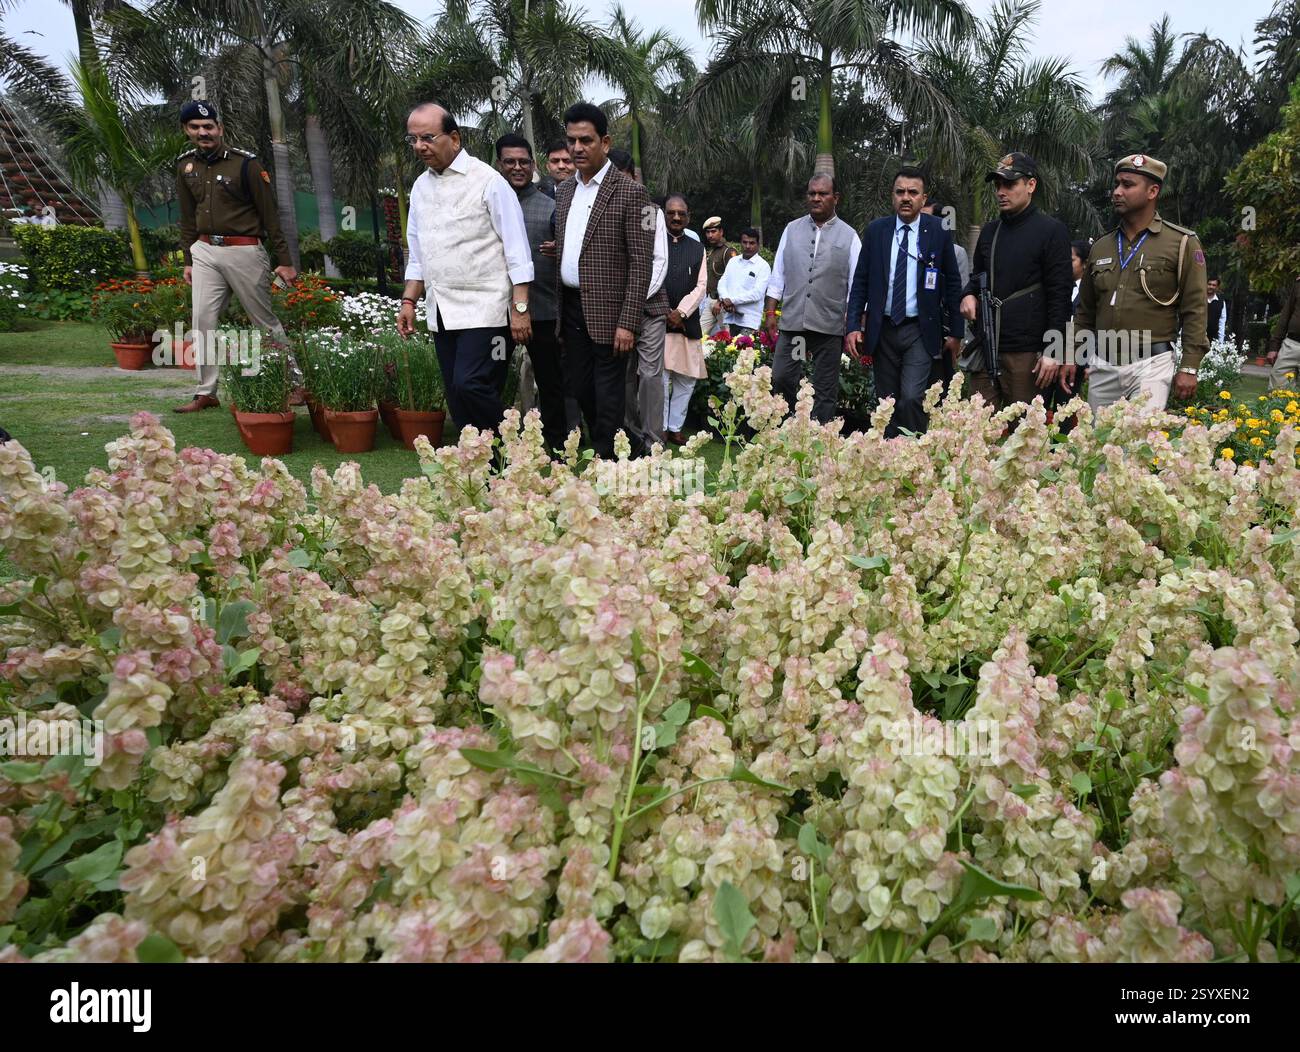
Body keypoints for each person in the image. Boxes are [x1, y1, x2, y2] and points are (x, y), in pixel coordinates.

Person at [396, 103, 533, 439]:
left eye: (427, 137)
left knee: (470, 384)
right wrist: (408, 302)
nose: (419, 147)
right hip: (442, 310)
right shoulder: (421, 188)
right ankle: (481, 468)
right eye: (412, 139)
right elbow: (419, 255)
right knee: (457, 398)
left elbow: (517, 249)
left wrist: (520, 309)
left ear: (454, 138)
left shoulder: (488, 182)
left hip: (486, 309)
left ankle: (516, 446)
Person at [172, 99, 299, 413]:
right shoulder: (185, 165)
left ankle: (295, 383)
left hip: (244, 249)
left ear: (220, 128)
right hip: (203, 251)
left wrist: (284, 260)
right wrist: (188, 259)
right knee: (202, 320)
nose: (203, 132)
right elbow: (187, 217)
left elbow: (270, 215)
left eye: (209, 126)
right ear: (186, 131)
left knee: (263, 321)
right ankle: (206, 391)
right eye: (196, 128)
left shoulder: (245, 164)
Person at [553, 103, 657, 459]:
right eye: (571, 141)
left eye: (586, 140)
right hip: (570, 307)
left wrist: (628, 323)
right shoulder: (564, 191)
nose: (577, 148)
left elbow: (641, 264)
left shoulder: (634, 195)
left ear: (606, 142)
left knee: (608, 391)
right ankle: (628, 445)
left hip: (612, 315)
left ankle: (605, 460)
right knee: (581, 388)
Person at [1070, 153, 1207, 411]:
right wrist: (1068, 353)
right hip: (1104, 364)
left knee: (1139, 445)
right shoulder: (1101, 247)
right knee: (1098, 448)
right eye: (1117, 184)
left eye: (1128, 185)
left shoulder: (1182, 244)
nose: (1117, 192)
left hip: (1152, 364)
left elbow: (1195, 309)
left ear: (1153, 191)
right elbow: (1085, 313)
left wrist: (1189, 366)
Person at [844, 166, 961, 436]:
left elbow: (953, 282)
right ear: (892, 196)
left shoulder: (938, 230)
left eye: (913, 192)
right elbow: (860, 280)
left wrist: (956, 332)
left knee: (911, 397)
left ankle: (914, 455)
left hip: (919, 329)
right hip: (883, 329)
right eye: (900, 192)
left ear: (923, 198)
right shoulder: (877, 230)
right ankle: (890, 461)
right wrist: (852, 325)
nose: (906, 197)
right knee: (887, 403)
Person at [958, 153, 1072, 412]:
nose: (1001, 191)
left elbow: (1060, 296)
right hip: (986, 350)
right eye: (998, 185)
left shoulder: (1051, 231)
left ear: (1030, 185)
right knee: (977, 434)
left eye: (1010, 184)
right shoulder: (990, 231)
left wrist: (1053, 351)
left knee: (1025, 440)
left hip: (1027, 355)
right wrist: (967, 294)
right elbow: (978, 278)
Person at [766, 174, 862, 424]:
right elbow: (778, 274)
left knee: (824, 388)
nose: (816, 198)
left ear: (835, 198)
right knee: (783, 376)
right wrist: (770, 313)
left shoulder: (849, 236)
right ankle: (787, 428)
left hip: (828, 328)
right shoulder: (792, 229)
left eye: (823, 193)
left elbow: (856, 285)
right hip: (795, 326)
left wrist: (853, 324)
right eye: (812, 193)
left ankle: (820, 440)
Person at [495, 132, 568, 453]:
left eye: (524, 161)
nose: (517, 167)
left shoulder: (551, 207)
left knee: (551, 385)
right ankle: (492, 446)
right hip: (495, 315)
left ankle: (555, 449)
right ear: (499, 164)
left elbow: (574, 257)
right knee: (491, 381)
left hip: (542, 313)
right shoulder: (486, 204)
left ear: (533, 165)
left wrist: (561, 249)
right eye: (510, 161)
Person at [607, 149, 670, 454]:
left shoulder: (649, 210)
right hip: (612, 310)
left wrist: (632, 300)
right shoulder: (602, 209)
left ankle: (654, 440)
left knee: (649, 375)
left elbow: (657, 262)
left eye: (621, 176)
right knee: (623, 375)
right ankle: (630, 437)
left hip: (650, 307)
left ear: (632, 175)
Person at [660, 195, 708, 444]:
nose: (676, 217)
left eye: (681, 213)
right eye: (671, 213)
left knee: (686, 379)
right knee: (661, 378)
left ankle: (676, 426)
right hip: (659, 320)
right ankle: (660, 427)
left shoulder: (697, 248)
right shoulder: (654, 244)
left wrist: (681, 312)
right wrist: (665, 311)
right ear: (664, 214)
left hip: (687, 323)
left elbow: (701, 287)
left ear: (688, 216)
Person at [716, 228, 770, 337]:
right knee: (730, 352)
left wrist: (731, 301)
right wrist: (725, 298)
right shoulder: (733, 261)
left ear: (758, 244)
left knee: (745, 353)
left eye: (752, 243)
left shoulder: (763, 266)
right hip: (731, 317)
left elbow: (757, 293)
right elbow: (722, 282)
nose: (748, 246)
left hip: (749, 321)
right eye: (745, 242)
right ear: (740, 243)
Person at [699, 217, 738, 337]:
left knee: (728, 339)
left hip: (723, 303)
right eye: (707, 232)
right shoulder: (711, 252)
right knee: (699, 335)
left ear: (721, 232)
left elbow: (734, 280)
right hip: (710, 301)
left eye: (713, 231)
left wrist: (720, 301)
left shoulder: (729, 252)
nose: (710, 235)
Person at [1266, 274, 1300, 390]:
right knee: (1277, 388)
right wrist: (1274, 346)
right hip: (1292, 344)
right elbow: (1286, 315)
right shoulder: (1298, 284)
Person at [1206, 276, 1228, 343]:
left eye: (1214, 285)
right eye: (1209, 284)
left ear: (1217, 287)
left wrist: (1220, 342)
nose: (1211, 287)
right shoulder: (1199, 299)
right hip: (1197, 336)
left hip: (1213, 338)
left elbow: (1222, 322)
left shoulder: (1221, 302)